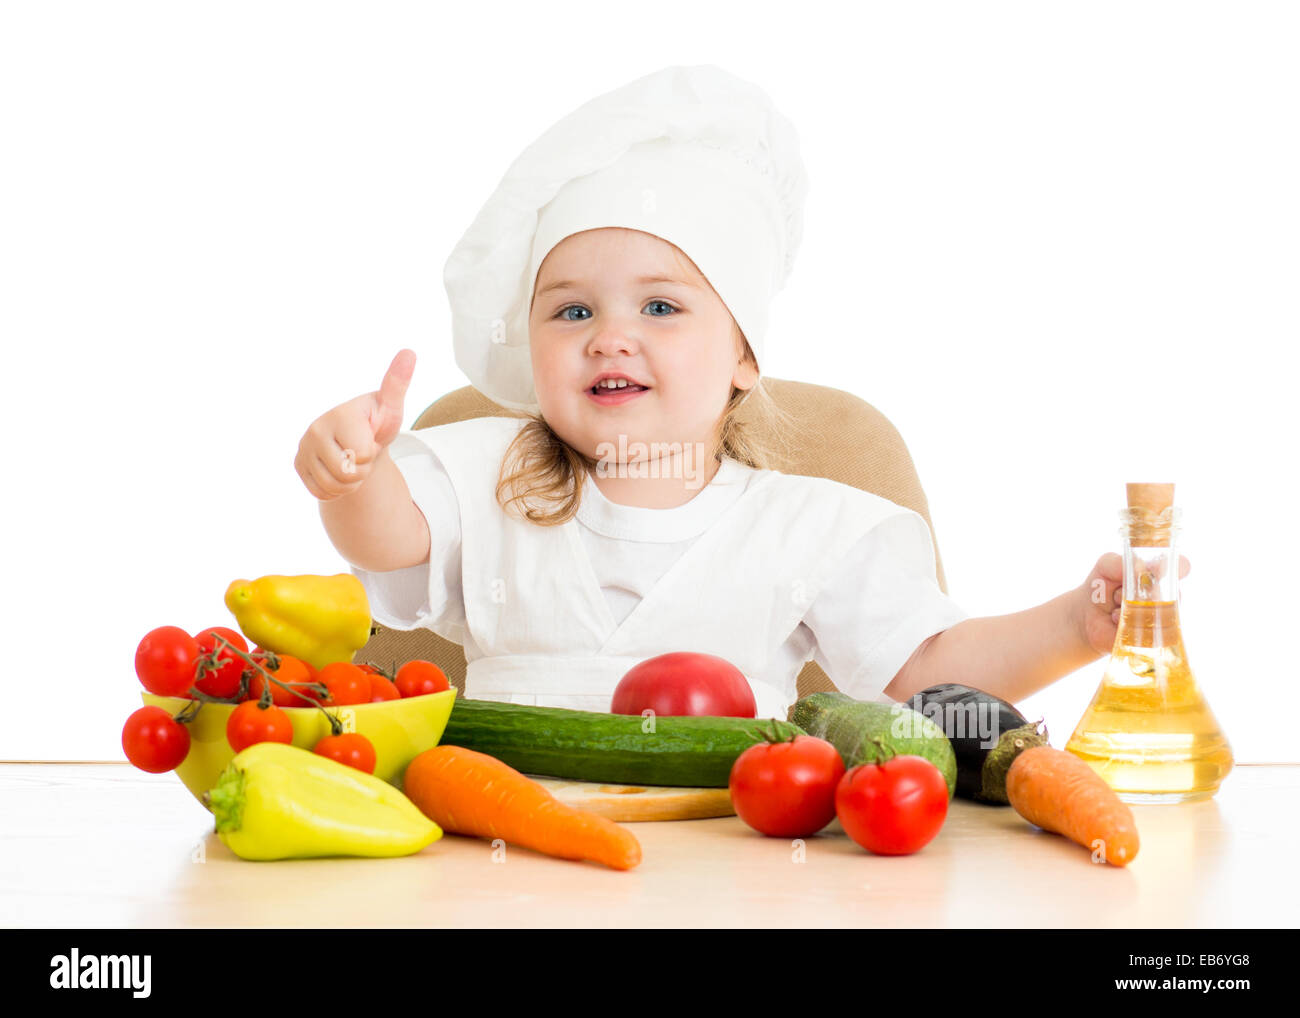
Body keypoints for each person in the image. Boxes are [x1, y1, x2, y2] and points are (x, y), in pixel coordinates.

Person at [295, 64, 1182, 719]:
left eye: (660, 305)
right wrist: (354, 476)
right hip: (500, 842)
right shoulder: (482, 473)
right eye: (570, 311)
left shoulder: (808, 524)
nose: (611, 335)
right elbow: (392, 545)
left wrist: (1076, 624)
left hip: (735, 855)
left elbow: (925, 669)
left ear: (743, 358)